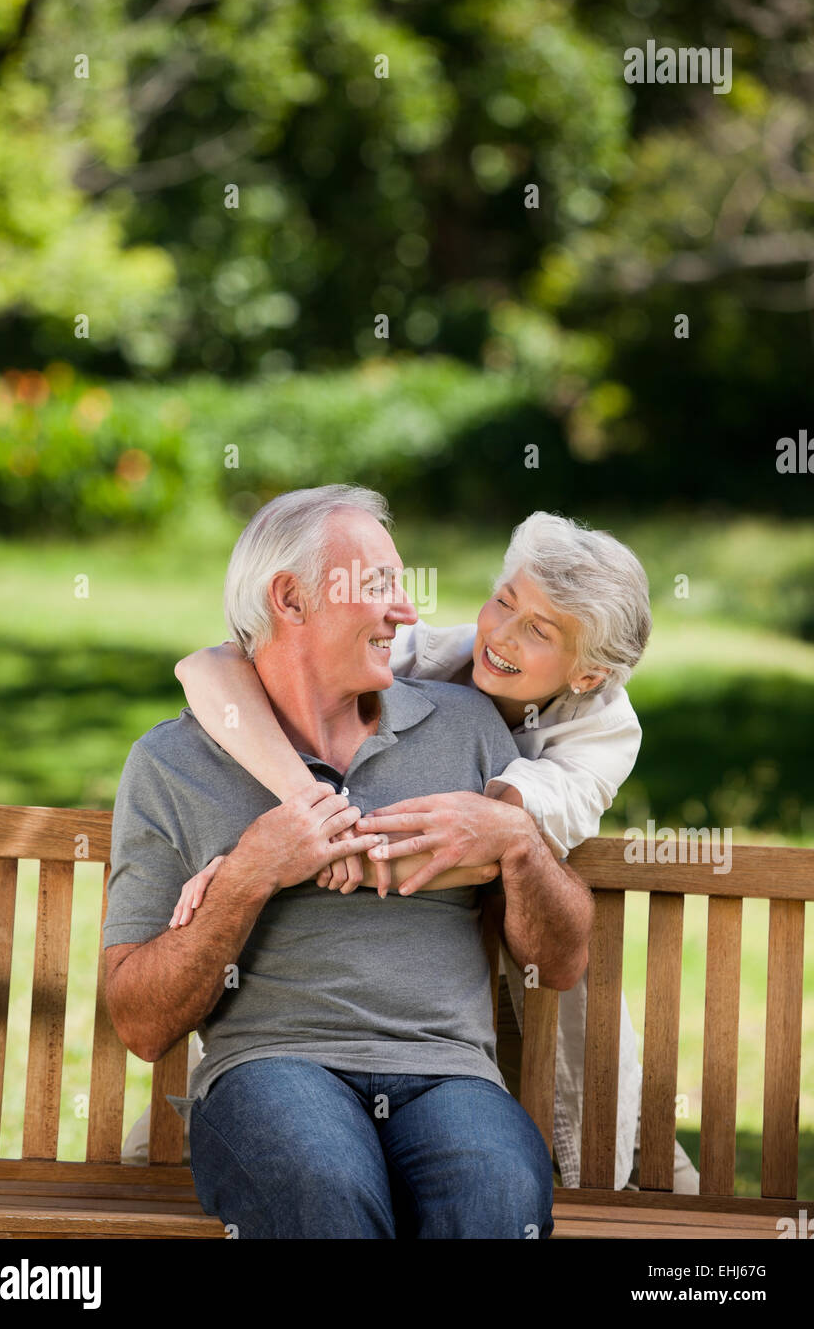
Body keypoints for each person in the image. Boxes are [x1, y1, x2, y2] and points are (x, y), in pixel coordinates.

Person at [165, 507, 700, 1195]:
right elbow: (209, 669)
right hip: (393, 983)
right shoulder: (433, 655)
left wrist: (266, 863)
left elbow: (476, 847)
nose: (502, 635)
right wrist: (302, 809)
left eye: (539, 631)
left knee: (628, 1174)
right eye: (504, 601)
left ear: (589, 674)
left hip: (509, 981)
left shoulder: (600, 733)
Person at [105, 485, 593, 1238]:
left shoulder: (464, 726)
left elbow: (558, 962)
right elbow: (140, 1022)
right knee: (325, 1190)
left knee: (496, 1199)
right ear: (291, 599)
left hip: (448, 1076)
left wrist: (521, 845)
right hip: (271, 1069)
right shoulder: (172, 764)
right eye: (379, 586)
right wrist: (252, 871)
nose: (407, 612)